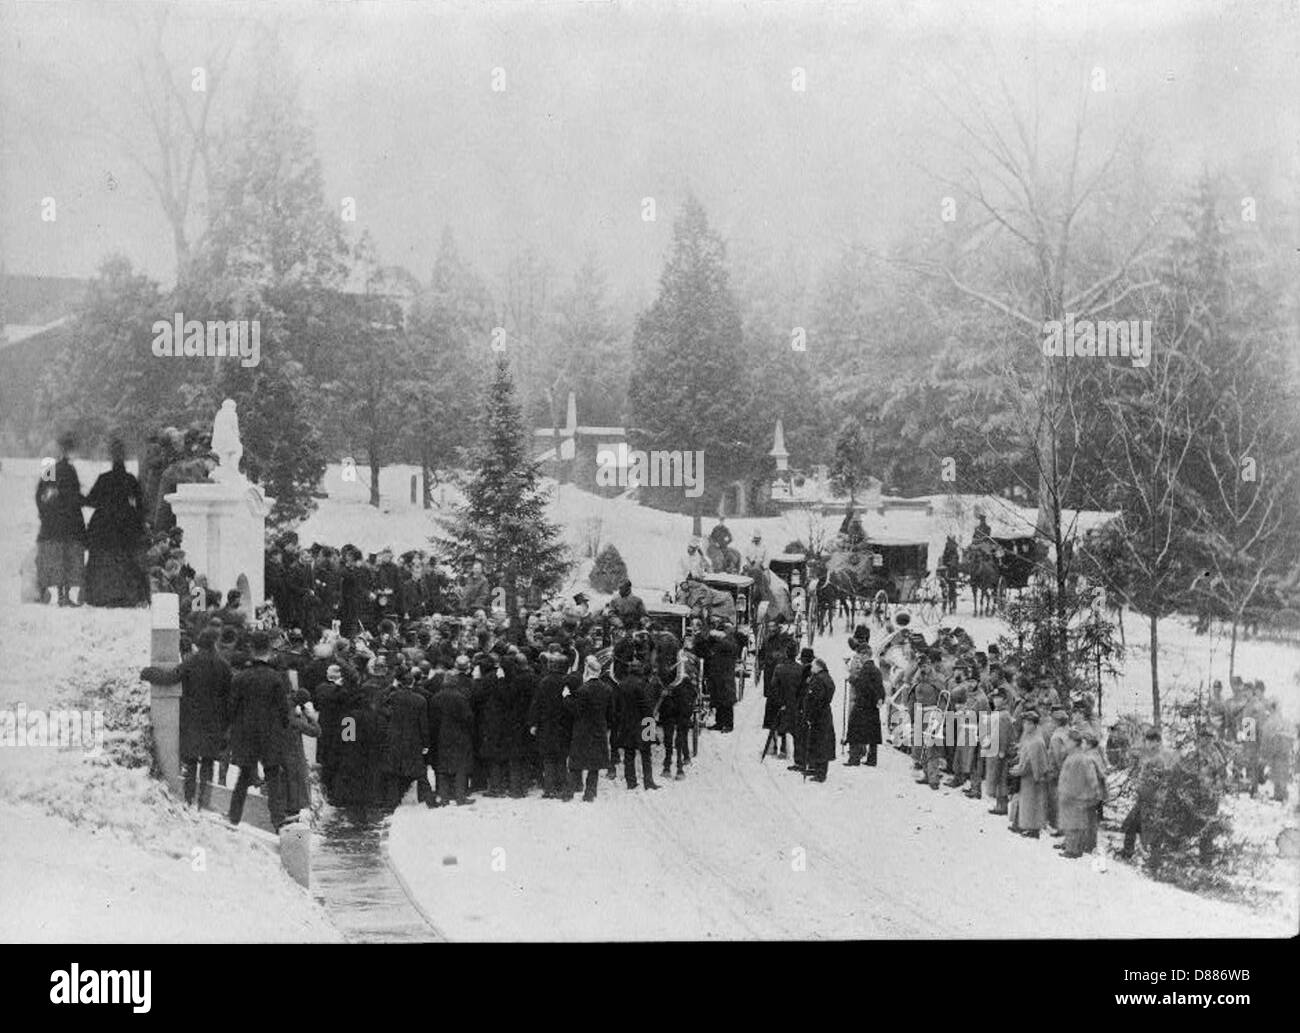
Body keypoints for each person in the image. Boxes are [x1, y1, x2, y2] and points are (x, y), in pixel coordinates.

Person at [140, 626, 231, 809]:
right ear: (214, 643)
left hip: (192, 720)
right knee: (207, 764)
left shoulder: (192, 662)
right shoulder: (223, 665)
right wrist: (226, 725)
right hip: (214, 722)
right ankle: (202, 802)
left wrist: (148, 673)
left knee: (191, 764)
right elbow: (229, 697)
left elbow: (170, 678)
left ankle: (189, 800)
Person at [226, 631, 292, 828]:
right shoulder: (276, 678)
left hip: (246, 735)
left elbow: (231, 708)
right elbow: (283, 710)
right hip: (270, 735)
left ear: (251, 650)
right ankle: (278, 819)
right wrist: (282, 727)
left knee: (244, 777)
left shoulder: (240, 678)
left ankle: (233, 817)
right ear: (269, 651)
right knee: (273, 777)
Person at [83, 437, 149, 607]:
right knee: (126, 560)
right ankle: (125, 596)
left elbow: (91, 500)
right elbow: (140, 505)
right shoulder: (130, 480)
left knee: (103, 561)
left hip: (103, 527)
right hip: (126, 527)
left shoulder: (104, 479)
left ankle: (101, 596)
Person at [35, 431, 87, 606]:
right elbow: (72, 496)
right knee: (66, 558)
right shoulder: (68, 470)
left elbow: (42, 495)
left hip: (55, 523)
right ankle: (63, 595)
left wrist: (45, 514)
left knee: (58, 559)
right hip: (68, 522)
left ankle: (59, 594)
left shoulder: (52, 470)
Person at [1118, 728, 1177, 861]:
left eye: (1151, 741)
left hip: (1152, 801)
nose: (1148, 744)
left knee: (1150, 830)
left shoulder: (1160, 759)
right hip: (1144, 799)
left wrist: (1145, 792)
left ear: (1158, 742)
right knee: (1131, 825)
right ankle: (1128, 852)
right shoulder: (1148, 755)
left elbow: (1156, 782)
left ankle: (1152, 858)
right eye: (1147, 741)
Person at [428, 657, 477, 806]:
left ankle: (444, 796)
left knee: (443, 766)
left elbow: (432, 719)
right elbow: (468, 717)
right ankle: (460, 796)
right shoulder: (460, 697)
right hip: (460, 735)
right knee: (460, 766)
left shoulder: (436, 698)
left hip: (442, 735)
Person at [567, 655, 614, 802]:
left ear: (587, 670)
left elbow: (576, 711)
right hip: (599, 729)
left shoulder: (582, 690)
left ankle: (570, 791)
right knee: (595, 763)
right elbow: (611, 713)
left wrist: (567, 698)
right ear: (599, 672)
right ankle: (590, 792)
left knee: (576, 761)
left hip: (582, 729)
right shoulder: (607, 689)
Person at [530, 649, 575, 799]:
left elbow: (536, 704)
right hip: (564, 725)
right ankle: (561, 786)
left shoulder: (544, 682)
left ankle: (548, 788)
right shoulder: (567, 681)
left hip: (547, 725)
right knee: (561, 758)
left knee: (548, 758)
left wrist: (534, 723)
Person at [612, 658, 660, 791]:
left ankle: (631, 782)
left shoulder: (621, 684)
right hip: (643, 724)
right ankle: (648, 782)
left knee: (629, 754)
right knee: (646, 754)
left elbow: (617, 707)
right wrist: (652, 729)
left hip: (627, 724)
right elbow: (647, 708)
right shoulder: (643, 685)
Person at [1056, 729, 1102, 858]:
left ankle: (1074, 850)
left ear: (1074, 742)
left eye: (1068, 741)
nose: (1065, 743)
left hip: (1075, 796)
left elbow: (1091, 778)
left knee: (1074, 824)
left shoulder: (1081, 758)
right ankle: (1072, 847)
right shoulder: (1073, 756)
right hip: (1069, 795)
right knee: (1070, 822)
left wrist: (1094, 793)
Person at [844, 636, 884, 766]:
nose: (859, 657)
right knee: (873, 732)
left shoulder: (865, 670)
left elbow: (862, 685)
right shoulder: (876, 670)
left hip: (862, 704)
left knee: (854, 729)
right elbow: (880, 688)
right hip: (873, 706)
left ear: (865, 655)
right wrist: (879, 699)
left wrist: (852, 679)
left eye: (860, 655)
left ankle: (854, 758)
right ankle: (872, 759)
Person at [1009, 710, 1048, 837]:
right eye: (1025, 722)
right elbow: (1024, 756)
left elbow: (1031, 762)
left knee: (1032, 802)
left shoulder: (1036, 741)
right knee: (1025, 801)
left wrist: (1018, 771)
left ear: (1034, 725)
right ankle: (1023, 825)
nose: (1025, 725)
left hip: (1032, 777)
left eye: (1028, 723)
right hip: (1028, 776)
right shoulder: (1030, 737)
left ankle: (1033, 830)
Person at [803, 658, 837, 782]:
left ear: (819, 667)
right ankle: (817, 768)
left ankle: (820, 772)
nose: (811, 669)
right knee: (822, 742)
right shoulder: (827, 678)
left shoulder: (818, 680)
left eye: (813, 666)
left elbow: (815, 699)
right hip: (825, 714)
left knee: (819, 743)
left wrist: (810, 715)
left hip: (818, 716)